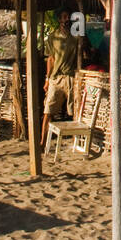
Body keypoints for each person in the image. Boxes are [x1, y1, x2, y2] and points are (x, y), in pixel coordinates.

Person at [41, 12, 79, 147]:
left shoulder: (76, 36)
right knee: (48, 110)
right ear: (59, 20)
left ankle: (76, 141)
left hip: (70, 77)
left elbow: (85, 52)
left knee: (75, 111)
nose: (67, 19)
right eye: (64, 17)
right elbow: (50, 59)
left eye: (68, 17)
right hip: (56, 78)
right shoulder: (52, 37)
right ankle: (42, 141)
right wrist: (47, 79)